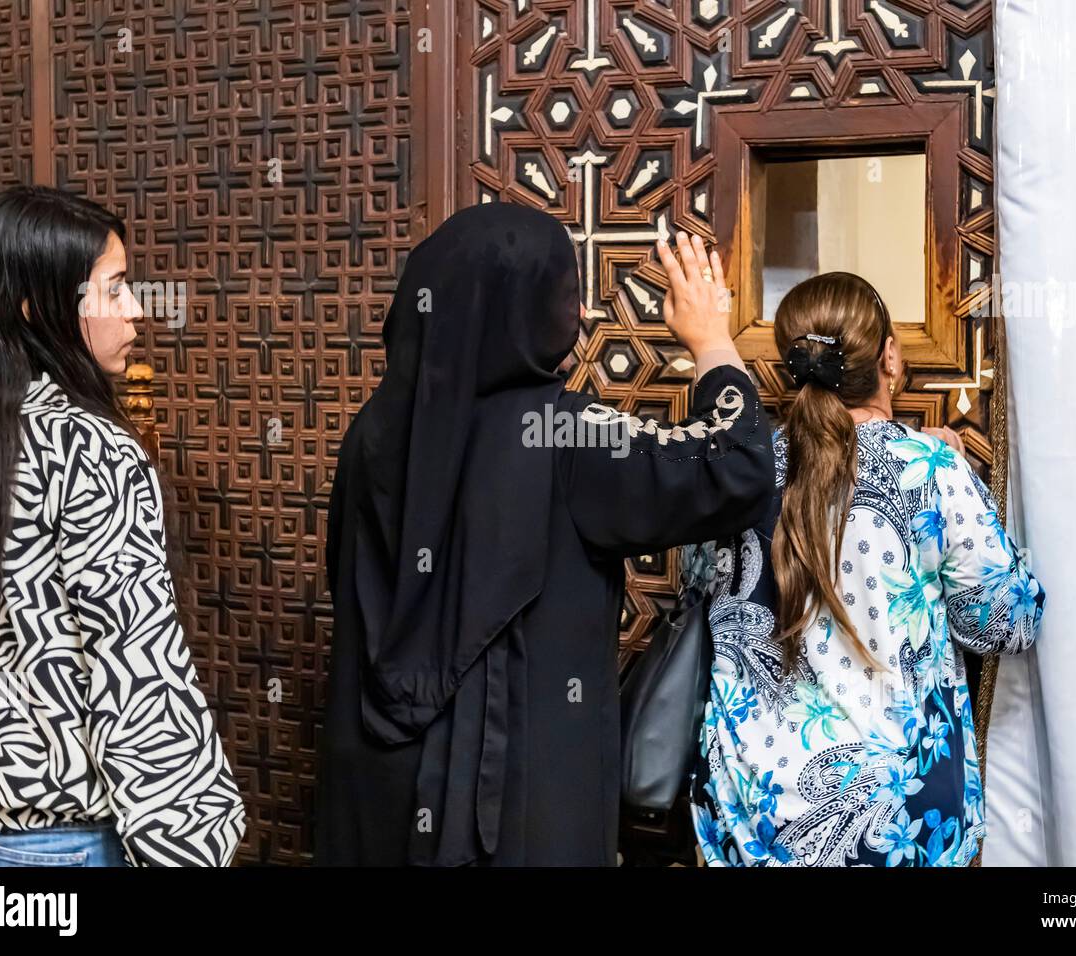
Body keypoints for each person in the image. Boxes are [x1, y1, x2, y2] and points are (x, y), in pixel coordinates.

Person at [319, 202, 774, 865]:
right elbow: (733, 466)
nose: (583, 317)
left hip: (380, 793)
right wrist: (710, 342)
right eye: (564, 298)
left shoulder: (372, 435)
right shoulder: (565, 437)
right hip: (514, 811)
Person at [0, 186, 246, 867]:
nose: (134, 311)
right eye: (113, 288)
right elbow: (137, 667)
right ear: (33, 305)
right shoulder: (88, 447)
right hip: (58, 848)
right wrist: (190, 846)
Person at [690, 272, 1045, 867]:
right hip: (904, 823)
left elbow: (702, 588)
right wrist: (961, 484)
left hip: (750, 820)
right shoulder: (930, 470)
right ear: (890, 358)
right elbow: (1006, 623)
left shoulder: (736, 476)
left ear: (789, 368)